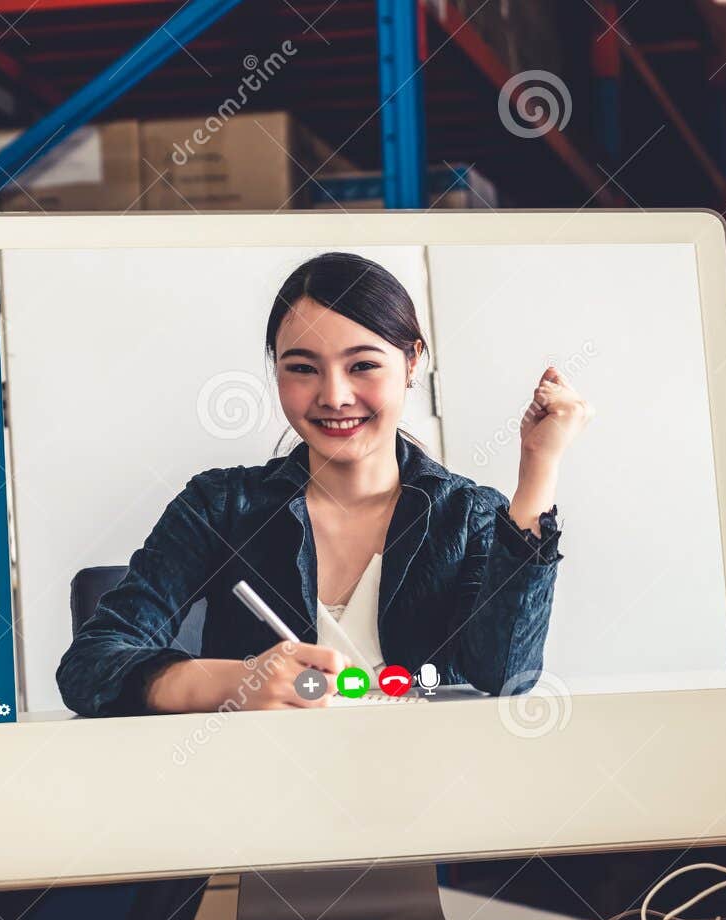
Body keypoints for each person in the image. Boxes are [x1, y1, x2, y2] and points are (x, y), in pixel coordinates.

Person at [57, 251, 593, 716]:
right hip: (258, 787)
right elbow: (90, 664)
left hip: (431, 784)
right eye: (302, 368)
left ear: (412, 362)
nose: (334, 396)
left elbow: (505, 675)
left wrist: (537, 468)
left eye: (362, 366)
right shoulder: (218, 507)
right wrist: (237, 682)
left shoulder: (468, 515)